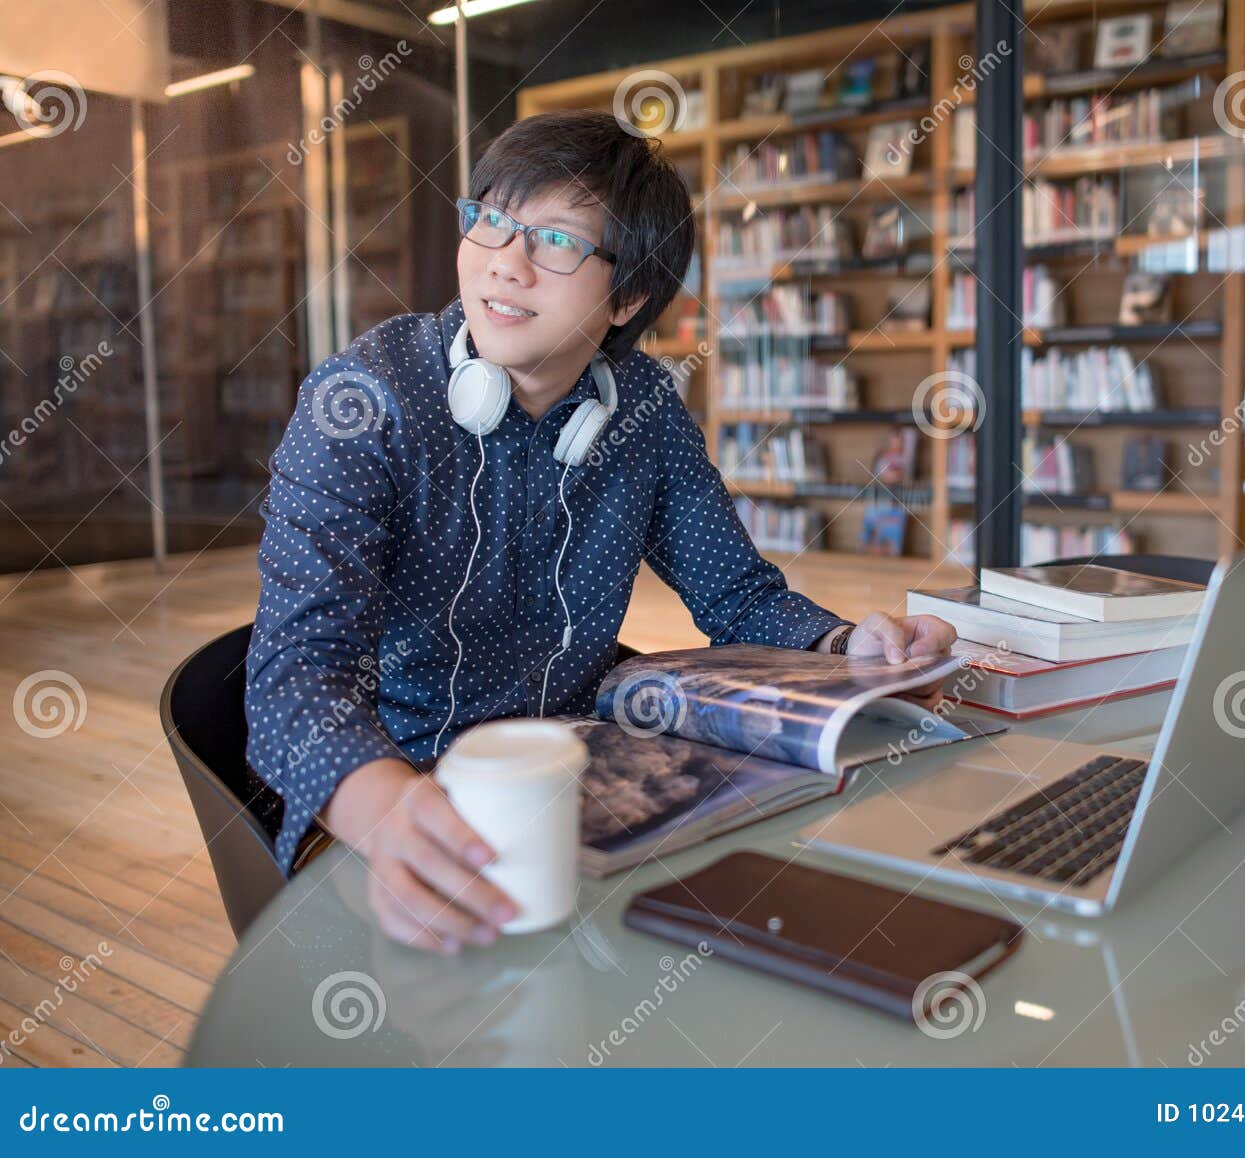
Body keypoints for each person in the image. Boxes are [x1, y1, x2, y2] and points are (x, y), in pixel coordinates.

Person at [244, 109, 956, 955]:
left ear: (628, 298)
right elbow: (292, 679)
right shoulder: (363, 400)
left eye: (554, 241)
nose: (506, 262)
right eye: (492, 222)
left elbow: (736, 595)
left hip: (590, 777)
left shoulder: (643, 408)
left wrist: (847, 645)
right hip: (400, 796)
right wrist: (388, 807)